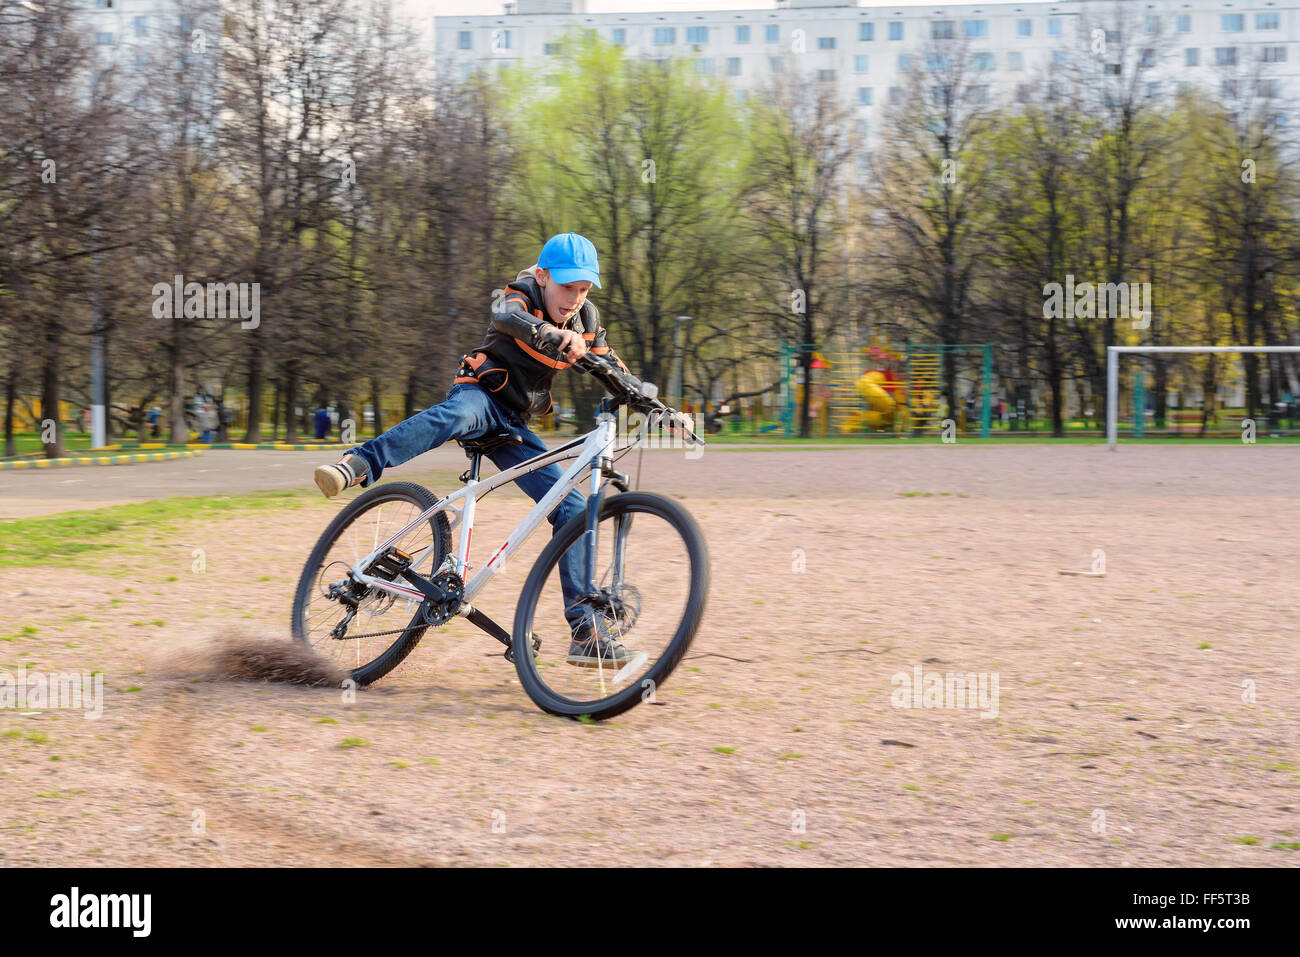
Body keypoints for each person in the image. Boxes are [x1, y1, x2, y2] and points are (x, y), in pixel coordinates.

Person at [312, 232, 633, 668]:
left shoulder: (586, 321)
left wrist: (658, 407)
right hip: (480, 395)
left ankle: (585, 631)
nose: (575, 298)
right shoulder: (520, 295)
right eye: (566, 287)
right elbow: (508, 316)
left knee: (573, 508)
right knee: (456, 416)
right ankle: (358, 463)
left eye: (583, 289)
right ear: (543, 276)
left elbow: (613, 367)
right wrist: (547, 331)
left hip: (513, 427)